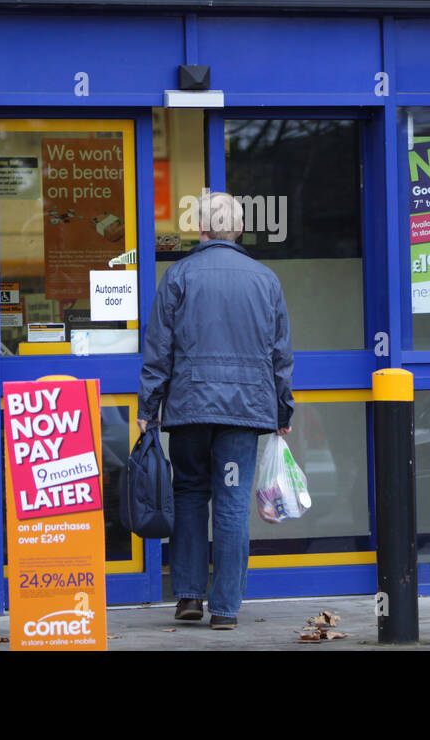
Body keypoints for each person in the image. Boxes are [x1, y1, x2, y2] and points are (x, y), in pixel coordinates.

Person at [137, 191, 293, 630]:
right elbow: (280, 353)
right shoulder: (265, 280)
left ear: (201, 228)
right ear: (238, 229)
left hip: (189, 408)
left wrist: (149, 406)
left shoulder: (179, 275)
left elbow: (159, 349)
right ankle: (225, 607)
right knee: (231, 502)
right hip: (243, 412)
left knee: (188, 494)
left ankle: (189, 596)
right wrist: (283, 410)